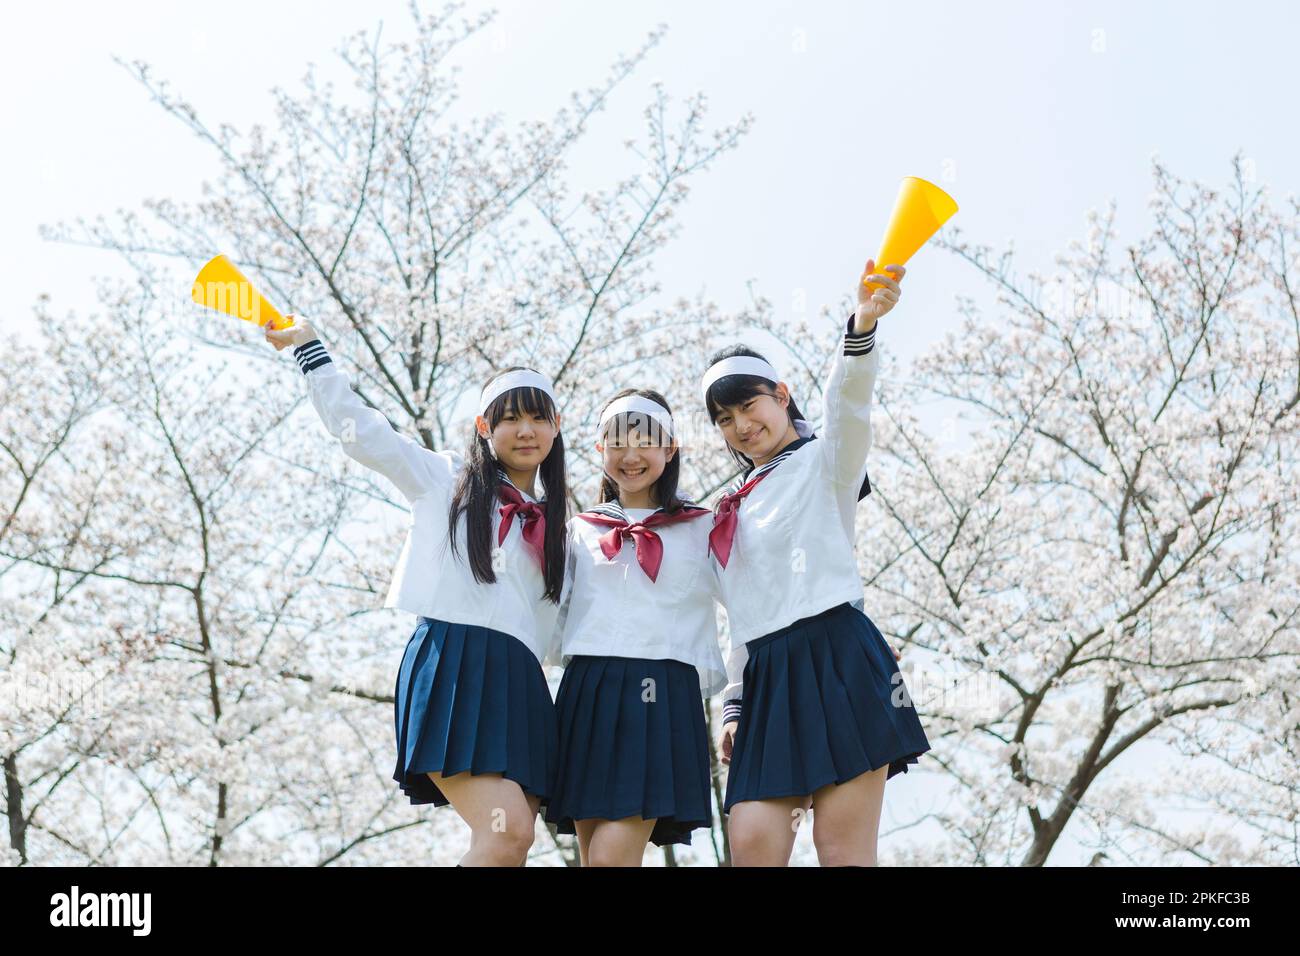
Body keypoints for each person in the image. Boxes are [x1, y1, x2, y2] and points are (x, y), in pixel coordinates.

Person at [266, 317, 568, 866]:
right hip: (456, 660)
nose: (526, 431)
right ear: (483, 426)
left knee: (513, 842)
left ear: (556, 425)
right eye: (511, 418)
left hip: (522, 681)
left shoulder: (560, 531)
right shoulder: (444, 480)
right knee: (504, 833)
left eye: (538, 418)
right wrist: (309, 349)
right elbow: (360, 431)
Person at [703, 260, 931, 866]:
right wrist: (734, 701)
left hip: (838, 656)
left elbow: (849, 403)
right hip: (766, 675)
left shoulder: (825, 462)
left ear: (780, 396)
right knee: (752, 842)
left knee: (842, 850)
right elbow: (740, 614)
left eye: (747, 406)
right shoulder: (726, 509)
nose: (740, 426)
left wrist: (860, 325)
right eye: (724, 420)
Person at [543, 389, 726, 864]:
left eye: (645, 440)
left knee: (609, 859)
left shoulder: (705, 528)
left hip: (661, 693)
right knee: (594, 858)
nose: (630, 455)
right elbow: (543, 612)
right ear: (600, 451)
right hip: (588, 691)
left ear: (670, 449)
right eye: (617, 442)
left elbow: (758, 603)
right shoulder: (578, 530)